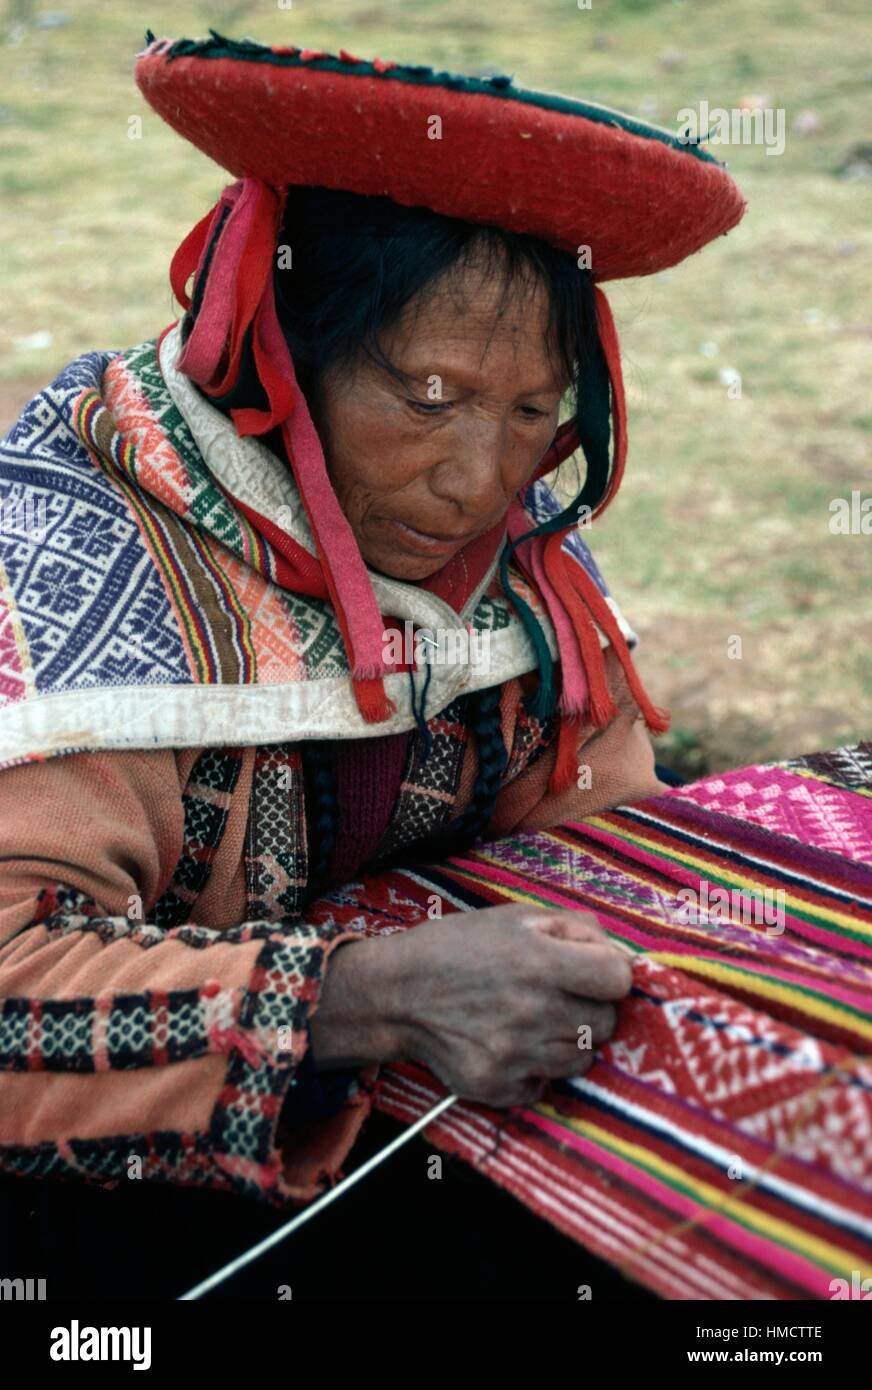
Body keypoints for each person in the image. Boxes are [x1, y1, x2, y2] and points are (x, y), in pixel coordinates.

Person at [0, 32, 745, 1211]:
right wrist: (368, 996)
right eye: (427, 396)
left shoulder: (518, 558)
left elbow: (605, 848)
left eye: (529, 412)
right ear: (280, 353)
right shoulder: (73, 555)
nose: (478, 480)